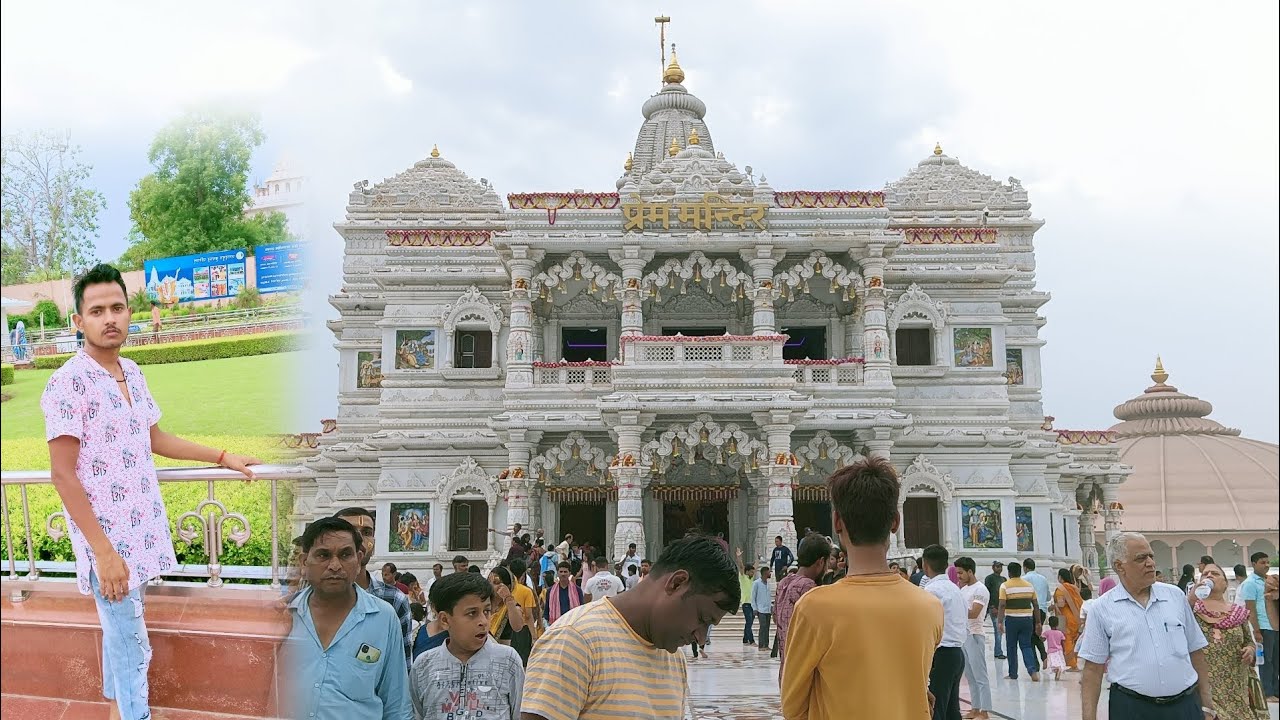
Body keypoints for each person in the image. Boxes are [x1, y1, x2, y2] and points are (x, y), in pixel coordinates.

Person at [41, 264, 261, 720]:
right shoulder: (67, 382)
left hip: (139, 528)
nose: (110, 318)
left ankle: (115, 704)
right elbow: (63, 475)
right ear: (78, 321)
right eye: (97, 311)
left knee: (122, 635)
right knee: (133, 644)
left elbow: (155, 438)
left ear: (129, 312)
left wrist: (223, 456)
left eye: (117, 307)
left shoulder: (132, 371)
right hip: (106, 540)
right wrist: (104, 553)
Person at [781, 457, 942, 720]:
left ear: (837, 522)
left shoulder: (815, 608)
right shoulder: (930, 606)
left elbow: (793, 706)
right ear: (895, 521)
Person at [520, 533, 738, 720]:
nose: (701, 638)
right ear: (676, 583)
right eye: (702, 618)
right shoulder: (575, 641)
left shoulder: (674, 659)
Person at [283, 517, 412, 719]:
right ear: (304, 562)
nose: (335, 566)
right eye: (323, 555)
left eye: (345, 555)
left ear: (358, 560)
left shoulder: (383, 617)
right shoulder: (285, 614)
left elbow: (397, 705)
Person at [1078, 532, 1214, 720]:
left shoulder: (1175, 596)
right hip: (1131, 709)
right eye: (1141, 558)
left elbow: (1195, 651)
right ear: (1119, 566)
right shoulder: (1102, 608)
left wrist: (1207, 705)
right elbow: (1093, 669)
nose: (1150, 563)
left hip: (1185, 706)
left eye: (1151, 556)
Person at [410, 571, 524, 720]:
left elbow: (520, 713)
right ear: (445, 620)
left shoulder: (508, 660)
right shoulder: (423, 665)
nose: (483, 621)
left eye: (486, 611)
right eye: (472, 613)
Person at [1187, 562, 1268, 719]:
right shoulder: (1191, 611)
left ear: (1225, 584)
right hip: (1205, 686)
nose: (1209, 576)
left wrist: (1250, 650)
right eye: (1205, 574)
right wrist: (1190, 601)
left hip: (1236, 685)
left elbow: (1249, 641)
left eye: (1215, 573)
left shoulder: (1238, 613)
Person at [334, 507, 414, 664]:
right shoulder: (308, 601)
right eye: (349, 531)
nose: (359, 539)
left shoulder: (394, 600)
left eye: (366, 532)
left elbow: (401, 666)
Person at [920, 544, 967, 720]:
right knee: (951, 709)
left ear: (925, 565)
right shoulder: (956, 589)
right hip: (957, 653)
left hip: (941, 654)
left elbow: (925, 625)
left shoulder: (931, 590)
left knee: (936, 707)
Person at [775, 533, 830, 682]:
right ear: (820, 562)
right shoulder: (808, 587)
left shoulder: (784, 583)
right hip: (804, 672)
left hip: (786, 669)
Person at [955, 557, 993, 720]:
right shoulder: (963, 590)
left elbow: (974, 613)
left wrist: (955, 610)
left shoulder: (980, 589)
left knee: (980, 675)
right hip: (964, 635)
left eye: (961, 573)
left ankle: (985, 710)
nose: (958, 576)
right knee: (970, 675)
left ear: (970, 571)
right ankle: (975, 708)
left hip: (975, 634)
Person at [1238, 551, 1277, 700]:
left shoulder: (1270, 581)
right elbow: (1250, 609)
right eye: (1262, 562)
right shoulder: (1250, 584)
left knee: (1276, 660)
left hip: (1274, 625)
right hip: (1264, 627)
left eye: (1267, 562)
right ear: (1254, 564)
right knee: (1266, 660)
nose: (1266, 565)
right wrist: (1256, 631)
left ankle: (1276, 690)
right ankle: (1267, 692)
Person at [997, 560, 1040, 681]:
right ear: (1020, 572)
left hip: (1012, 620)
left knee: (1011, 647)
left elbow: (1002, 605)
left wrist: (999, 621)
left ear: (1009, 573)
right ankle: (1032, 671)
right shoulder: (1029, 586)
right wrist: (1038, 622)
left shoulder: (1005, 586)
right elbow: (1036, 605)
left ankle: (1013, 673)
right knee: (1026, 646)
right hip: (1027, 619)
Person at [486, 566, 530, 664]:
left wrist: (508, 599)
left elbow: (517, 627)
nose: (491, 586)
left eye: (496, 583)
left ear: (508, 586)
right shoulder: (483, 605)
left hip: (502, 656)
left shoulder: (512, 606)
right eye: (489, 582)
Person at [1053, 566, 1084, 671]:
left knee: (1067, 640)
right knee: (1074, 641)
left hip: (1065, 619)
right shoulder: (1074, 588)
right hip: (1077, 617)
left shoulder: (1060, 589)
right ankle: (1073, 662)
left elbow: (1061, 604)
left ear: (1060, 577)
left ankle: (1072, 665)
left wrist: (1054, 606)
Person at [1022, 558, 1051, 664]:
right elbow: (1048, 597)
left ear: (1025, 567)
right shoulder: (1043, 579)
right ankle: (1043, 656)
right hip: (1042, 610)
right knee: (1036, 634)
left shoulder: (1024, 579)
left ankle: (1036, 663)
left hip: (1030, 611)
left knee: (1030, 637)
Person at [543, 561, 585, 626]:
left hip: (572, 624)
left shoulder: (577, 590)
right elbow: (547, 610)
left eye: (565, 572)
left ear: (569, 573)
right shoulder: (550, 591)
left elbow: (581, 609)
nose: (563, 574)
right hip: (556, 624)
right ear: (557, 573)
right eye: (561, 572)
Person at [984, 561, 1007, 659]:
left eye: (1001, 567)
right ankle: (998, 652)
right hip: (994, 608)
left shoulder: (1003, 579)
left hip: (1002, 608)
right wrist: (992, 607)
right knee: (998, 630)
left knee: (1000, 630)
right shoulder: (989, 578)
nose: (999, 568)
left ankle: (998, 650)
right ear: (993, 568)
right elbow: (987, 593)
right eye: (997, 566)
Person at [735, 548, 757, 645]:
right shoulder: (743, 577)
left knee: (749, 622)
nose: (753, 573)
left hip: (752, 603)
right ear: (747, 571)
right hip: (746, 603)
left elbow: (755, 566)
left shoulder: (751, 578)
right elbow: (740, 566)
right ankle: (751, 641)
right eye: (751, 572)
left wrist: (758, 559)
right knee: (749, 622)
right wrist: (739, 557)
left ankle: (745, 639)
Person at [752, 565, 773, 653]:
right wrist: (754, 608)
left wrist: (771, 607)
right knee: (763, 626)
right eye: (768, 572)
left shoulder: (768, 584)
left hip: (768, 609)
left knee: (767, 627)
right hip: (760, 609)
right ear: (765, 573)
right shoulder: (756, 583)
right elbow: (753, 596)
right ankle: (761, 645)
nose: (770, 574)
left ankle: (766, 645)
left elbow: (769, 597)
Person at [1042, 616, 1067, 680]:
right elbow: (1062, 642)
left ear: (1049, 624)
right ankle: (1058, 674)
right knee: (1059, 662)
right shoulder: (1060, 633)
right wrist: (1064, 650)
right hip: (1059, 651)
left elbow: (1043, 639)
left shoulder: (1047, 632)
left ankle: (1055, 670)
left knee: (1052, 663)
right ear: (1057, 624)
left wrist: (1039, 636)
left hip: (1051, 651)